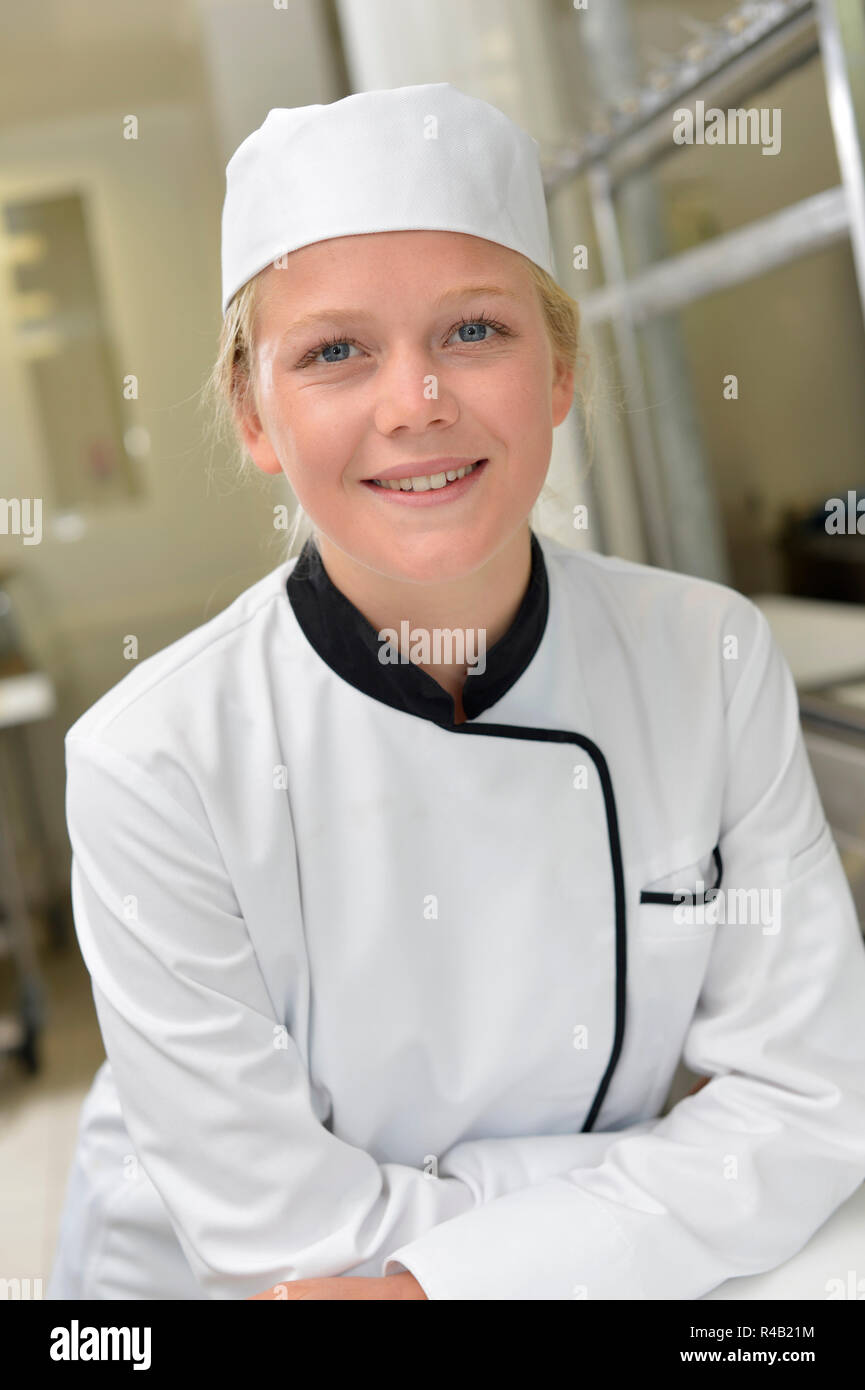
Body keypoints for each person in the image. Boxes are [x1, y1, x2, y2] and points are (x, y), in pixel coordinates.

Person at [47, 82, 865, 1302]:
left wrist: (444, 1278)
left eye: (474, 331)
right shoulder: (151, 760)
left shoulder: (709, 658)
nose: (415, 402)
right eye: (333, 352)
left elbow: (817, 1100)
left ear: (559, 371)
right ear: (253, 416)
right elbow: (287, 1236)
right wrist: (653, 1183)